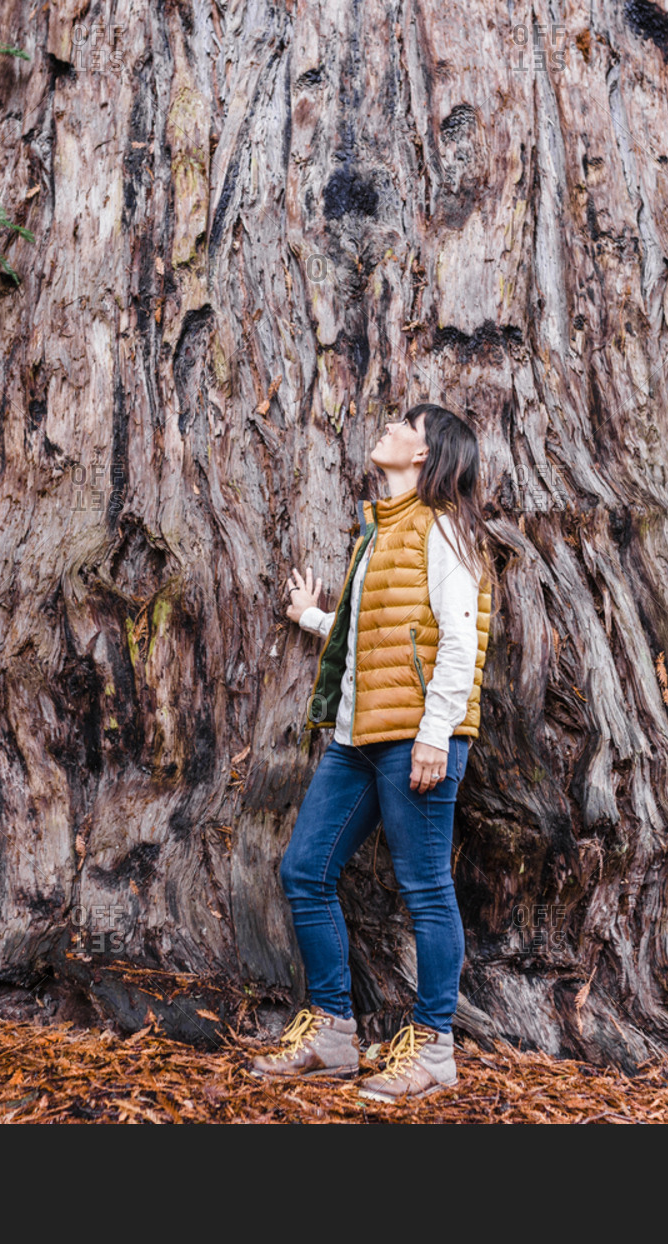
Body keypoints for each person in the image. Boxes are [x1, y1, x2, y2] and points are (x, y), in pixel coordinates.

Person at [245, 402, 493, 1104]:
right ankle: (330, 1034)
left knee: (424, 889)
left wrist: (436, 734)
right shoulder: (379, 534)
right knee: (304, 869)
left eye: (404, 424)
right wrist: (311, 619)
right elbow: (373, 637)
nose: (388, 427)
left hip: (416, 738)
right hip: (358, 739)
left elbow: (459, 638)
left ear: (426, 453)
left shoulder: (443, 530)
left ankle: (435, 1051)